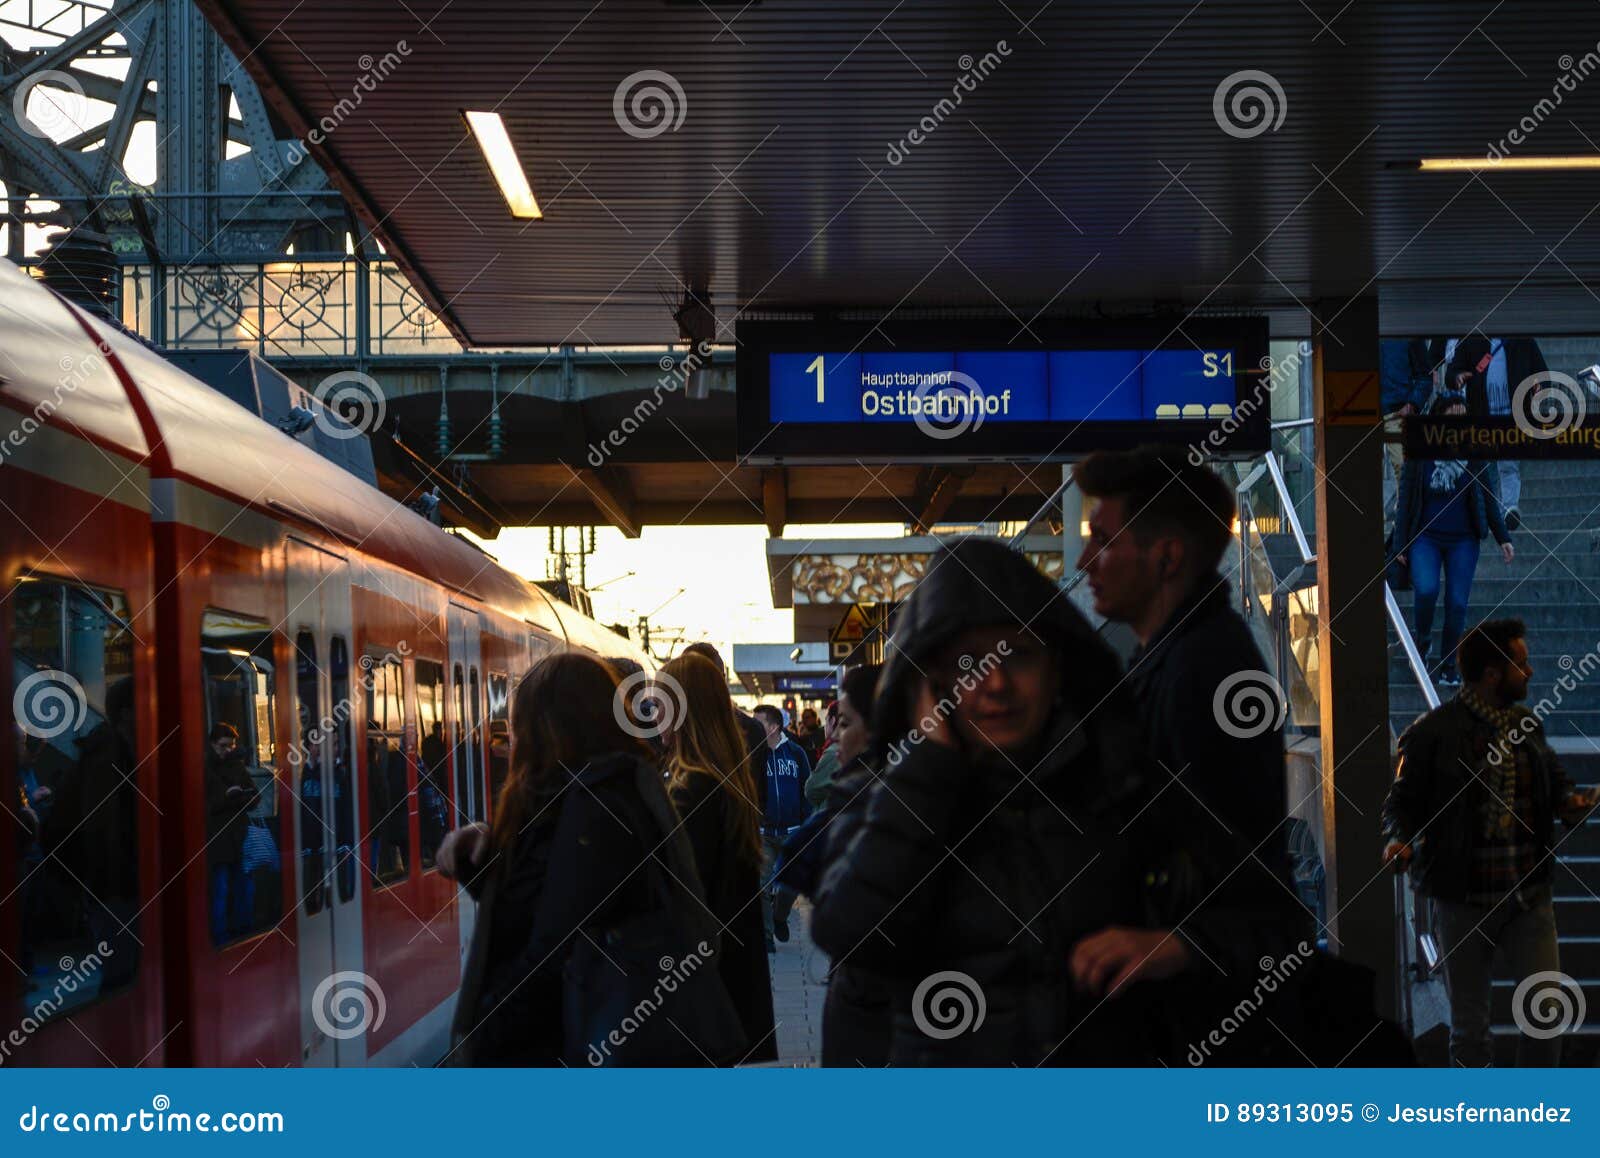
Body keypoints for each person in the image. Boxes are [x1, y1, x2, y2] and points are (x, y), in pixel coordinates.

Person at [809, 537, 1301, 1065]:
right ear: (929, 683)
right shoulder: (881, 797)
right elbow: (851, 935)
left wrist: (1181, 945)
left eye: (1017, 656)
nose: (994, 683)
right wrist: (927, 771)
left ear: (1057, 668)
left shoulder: (1125, 785)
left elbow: (1269, 923)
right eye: (968, 663)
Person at [438, 653, 733, 1065]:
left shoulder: (599, 807)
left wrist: (484, 1033)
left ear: (550, 728)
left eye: (518, 725)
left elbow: (552, 945)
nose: (511, 741)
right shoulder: (597, 793)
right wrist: (484, 865)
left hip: (577, 1042)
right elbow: (547, 901)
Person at [1383, 618, 1597, 1067]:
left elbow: (1556, 790)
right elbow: (1401, 804)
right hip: (1463, 897)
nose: (1531, 672)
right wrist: (1397, 841)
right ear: (1493, 674)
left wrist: (1574, 803)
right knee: (1470, 1028)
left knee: (1547, 1014)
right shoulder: (1432, 733)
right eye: (1522, 664)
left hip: (1527, 895)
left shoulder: (1526, 726)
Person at [1074, 445, 1292, 861]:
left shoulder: (1203, 671)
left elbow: (1224, 867)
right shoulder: (1183, 656)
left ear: (1168, 557)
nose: (1085, 561)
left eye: (1102, 541)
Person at [656, 653, 777, 1062]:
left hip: (704, 988)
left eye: (658, 706)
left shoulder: (692, 789)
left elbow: (678, 893)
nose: (653, 717)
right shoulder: (725, 776)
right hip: (731, 979)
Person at [1392, 391, 1513, 686]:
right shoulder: (1420, 450)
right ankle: (1421, 641)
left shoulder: (1473, 449)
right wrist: (1400, 543)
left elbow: (1487, 495)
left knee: (1457, 603)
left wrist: (1503, 537)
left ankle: (1448, 665)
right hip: (1426, 537)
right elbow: (1405, 498)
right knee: (1426, 590)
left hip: (1463, 539)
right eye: (1451, 418)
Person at [1445, 336, 1548, 528]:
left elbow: (1541, 372)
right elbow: (1451, 373)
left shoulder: (1522, 341)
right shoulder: (1472, 340)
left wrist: (1539, 387)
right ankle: (1489, 511)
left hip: (1512, 415)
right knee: (1486, 467)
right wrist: (1457, 378)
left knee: (1509, 464)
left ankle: (1509, 507)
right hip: (1481, 415)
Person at [752, 703, 811, 946]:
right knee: (761, 887)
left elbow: (807, 789)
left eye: (759, 723)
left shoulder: (796, 753)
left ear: (774, 727)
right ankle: (766, 937)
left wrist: (808, 824)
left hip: (792, 832)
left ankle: (779, 917)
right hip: (764, 833)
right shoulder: (755, 756)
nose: (753, 728)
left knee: (792, 883)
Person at [203, 722, 259, 944]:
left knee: (243, 888)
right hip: (218, 838)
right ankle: (221, 935)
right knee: (221, 890)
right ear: (212, 744)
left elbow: (254, 794)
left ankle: (242, 930)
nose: (227, 751)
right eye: (223, 746)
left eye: (231, 746)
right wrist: (226, 798)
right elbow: (203, 805)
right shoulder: (204, 768)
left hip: (238, 836)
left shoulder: (236, 766)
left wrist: (245, 797)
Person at [1381, 339, 1436, 532]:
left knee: (1404, 472)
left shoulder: (1407, 332)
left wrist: (1412, 405)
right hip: (1365, 414)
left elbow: (1425, 377)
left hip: (1399, 412)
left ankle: (1404, 532)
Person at [804, 700, 842, 809]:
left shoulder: (834, 751)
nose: (825, 727)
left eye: (826, 721)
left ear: (832, 720)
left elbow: (811, 790)